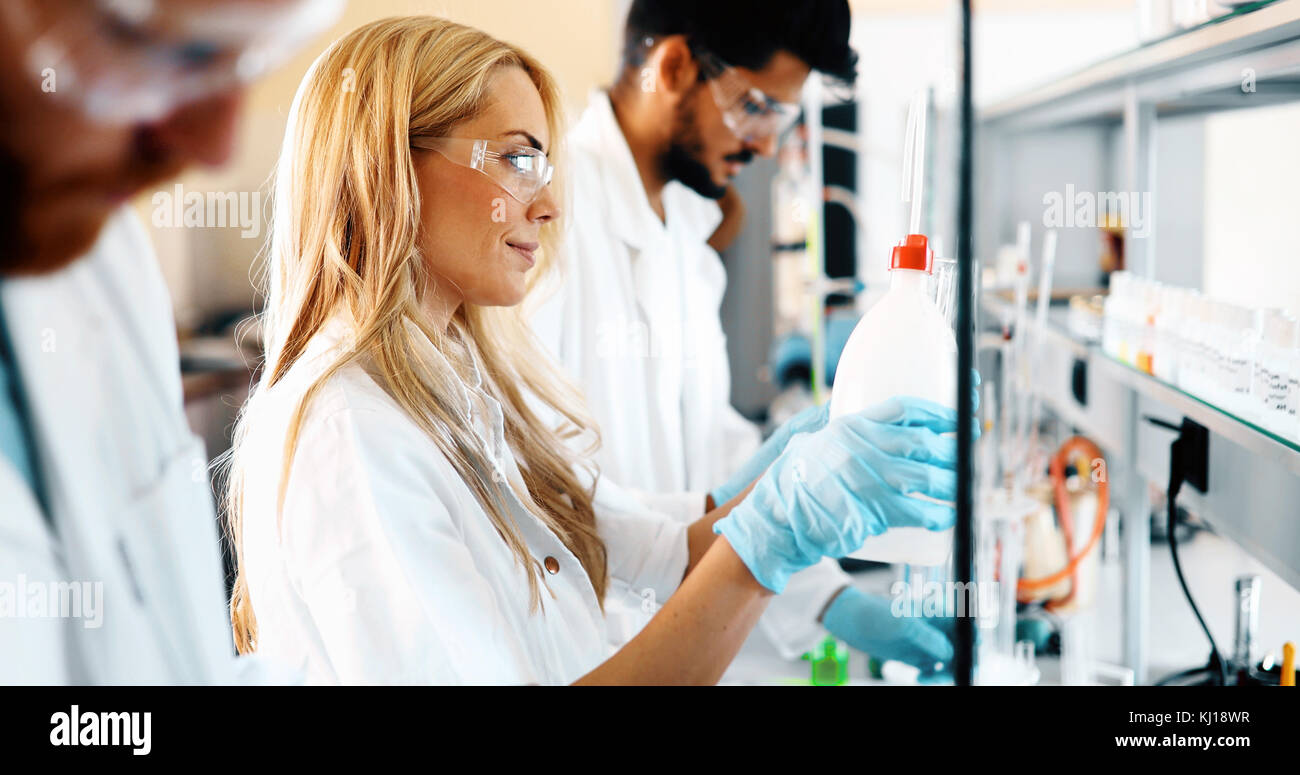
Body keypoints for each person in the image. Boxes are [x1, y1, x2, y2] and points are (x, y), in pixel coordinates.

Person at [225, 16, 962, 685]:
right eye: (515, 161)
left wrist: (775, 501)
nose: (547, 207)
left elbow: (624, 541)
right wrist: (771, 534)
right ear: (389, 161)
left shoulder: (458, 376)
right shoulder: (352, 432)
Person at [531, 0, 959, 675]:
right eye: (756, 107)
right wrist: (762, 522)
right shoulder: (545, 221)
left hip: (687, 637)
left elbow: (714, 459)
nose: (765, 144)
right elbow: (535, 496)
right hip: (585, 655)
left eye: (779, 118)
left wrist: (834, 597)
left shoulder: (685, 230)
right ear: (672, 66)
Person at [0, 0, 341, 684]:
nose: (214, 147)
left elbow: (172, 666)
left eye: (241, 62)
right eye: (153, 47)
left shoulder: (95, 260)